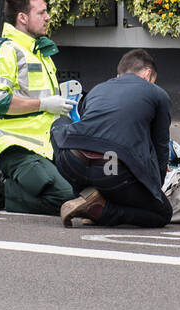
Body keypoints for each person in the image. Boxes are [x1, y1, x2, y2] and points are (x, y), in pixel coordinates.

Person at [0, 0, 77, 214]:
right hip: (14, 144)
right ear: (22, 18)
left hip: (45, 143)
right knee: (65, 197)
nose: (47, 17)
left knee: (81, 189)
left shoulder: (39, 52)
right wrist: (44, 104)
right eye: (41, 13)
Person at [52, 49, 173, 228]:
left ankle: (84, 195)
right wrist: (155, 189)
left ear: (119, 74)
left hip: (72, 161)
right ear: (148, 74)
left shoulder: (97, 89)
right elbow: (160, 145)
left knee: (60, 123)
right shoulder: (157, 93)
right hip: (112, 169)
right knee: (162, 213)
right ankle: (100, 210)